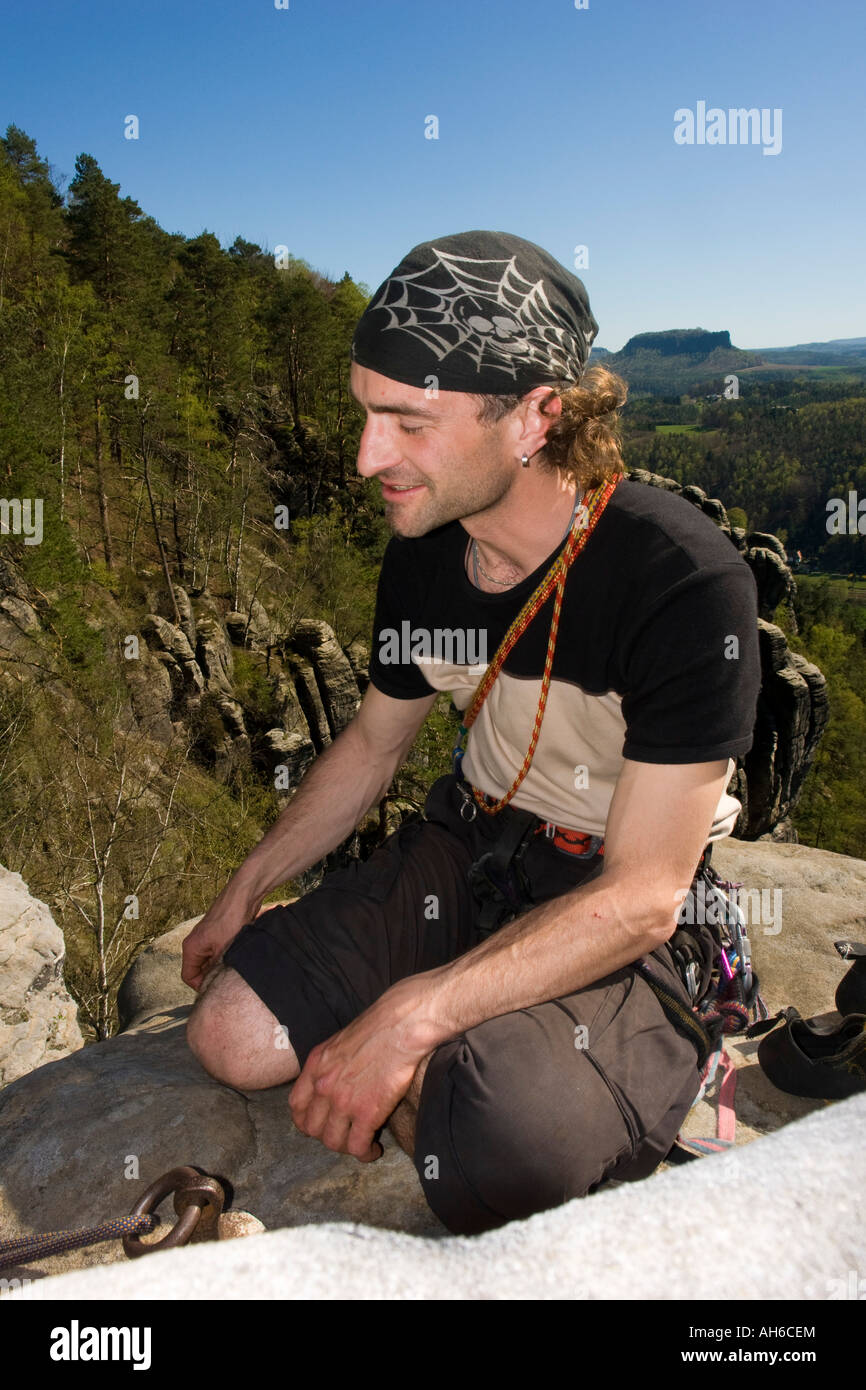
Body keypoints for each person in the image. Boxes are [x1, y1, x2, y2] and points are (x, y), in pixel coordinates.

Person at [183, 230, 761, 1235]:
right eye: (365, 414)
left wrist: (411, 1013)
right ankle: (480, 1032)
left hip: (607, 884)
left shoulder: (676, 579)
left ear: (534, 416)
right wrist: (247, 885)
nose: (367, 458)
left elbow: (641, 894)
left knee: (500, 1138)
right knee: (232, 1036)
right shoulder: (421, 557)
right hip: (472, 842)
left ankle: (621, 1041)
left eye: (406, 422)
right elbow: (371, 747)